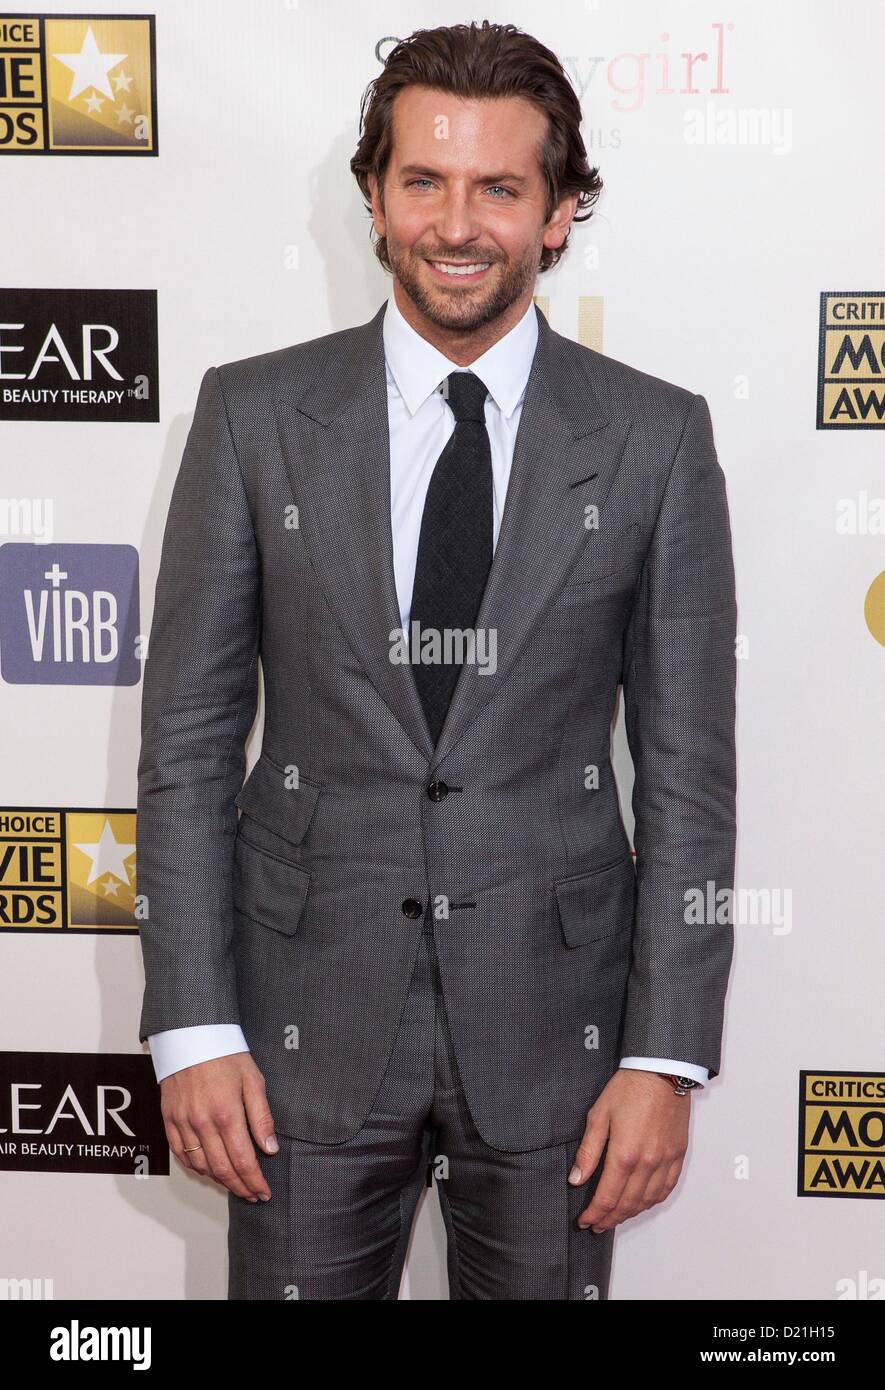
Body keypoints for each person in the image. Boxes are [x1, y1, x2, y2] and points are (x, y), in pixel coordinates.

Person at [136, 20, 737, 1300]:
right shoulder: (251, 419)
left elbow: (692, 779)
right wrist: (191, 1026)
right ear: (374, 194)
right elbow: (187, 746)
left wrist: (665, 1057)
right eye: (424, 180)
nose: (455, 224)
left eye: (499, 189)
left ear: (560, 212)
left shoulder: (655, 440)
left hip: (557, 1034)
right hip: (299, 1030)